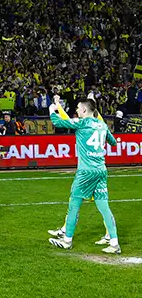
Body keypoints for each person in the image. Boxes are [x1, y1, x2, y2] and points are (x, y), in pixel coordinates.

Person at [47, 95, 121, 254]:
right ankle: (114, 243)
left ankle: (67, 240)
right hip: (101, 170)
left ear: (85, 110)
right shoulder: (102, 125)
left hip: (86, 171)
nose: (77, 111)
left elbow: (58, 122)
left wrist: (52, 109)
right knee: (104, 207)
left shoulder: (81, 123)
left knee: (74, 203)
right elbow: (113, 142)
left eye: (78, 108)